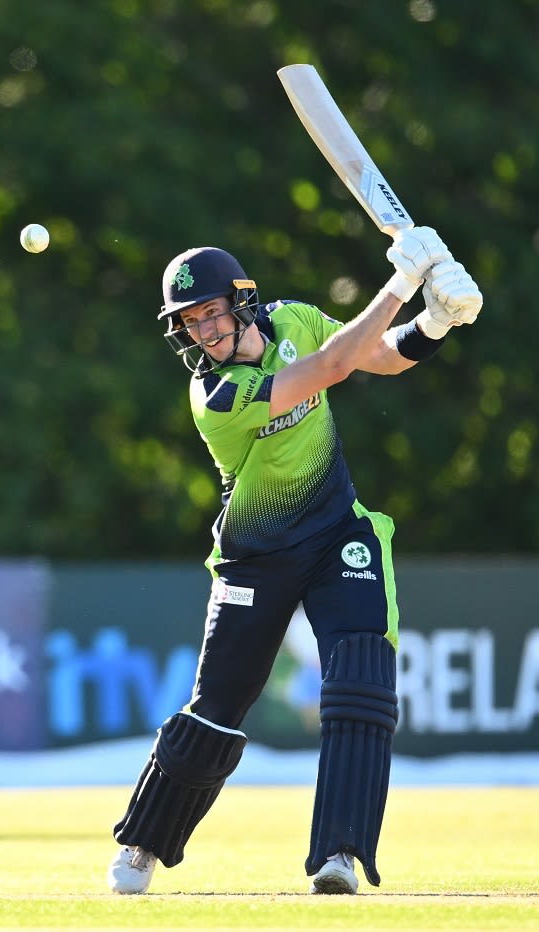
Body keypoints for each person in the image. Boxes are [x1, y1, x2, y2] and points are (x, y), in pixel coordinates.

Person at [106, 228, 483, 895]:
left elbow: (377, 356)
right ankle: (144, 843)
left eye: (212, 313)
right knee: (218, 707)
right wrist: (400, 283)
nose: (204, 331)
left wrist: (436, 320)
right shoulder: (215, 397)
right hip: (258, 557)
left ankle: (340, 854)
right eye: (190, 323)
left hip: (339, 535)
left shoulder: (298, 320)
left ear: (241, 301)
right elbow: (332, 368)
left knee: (362, 679)